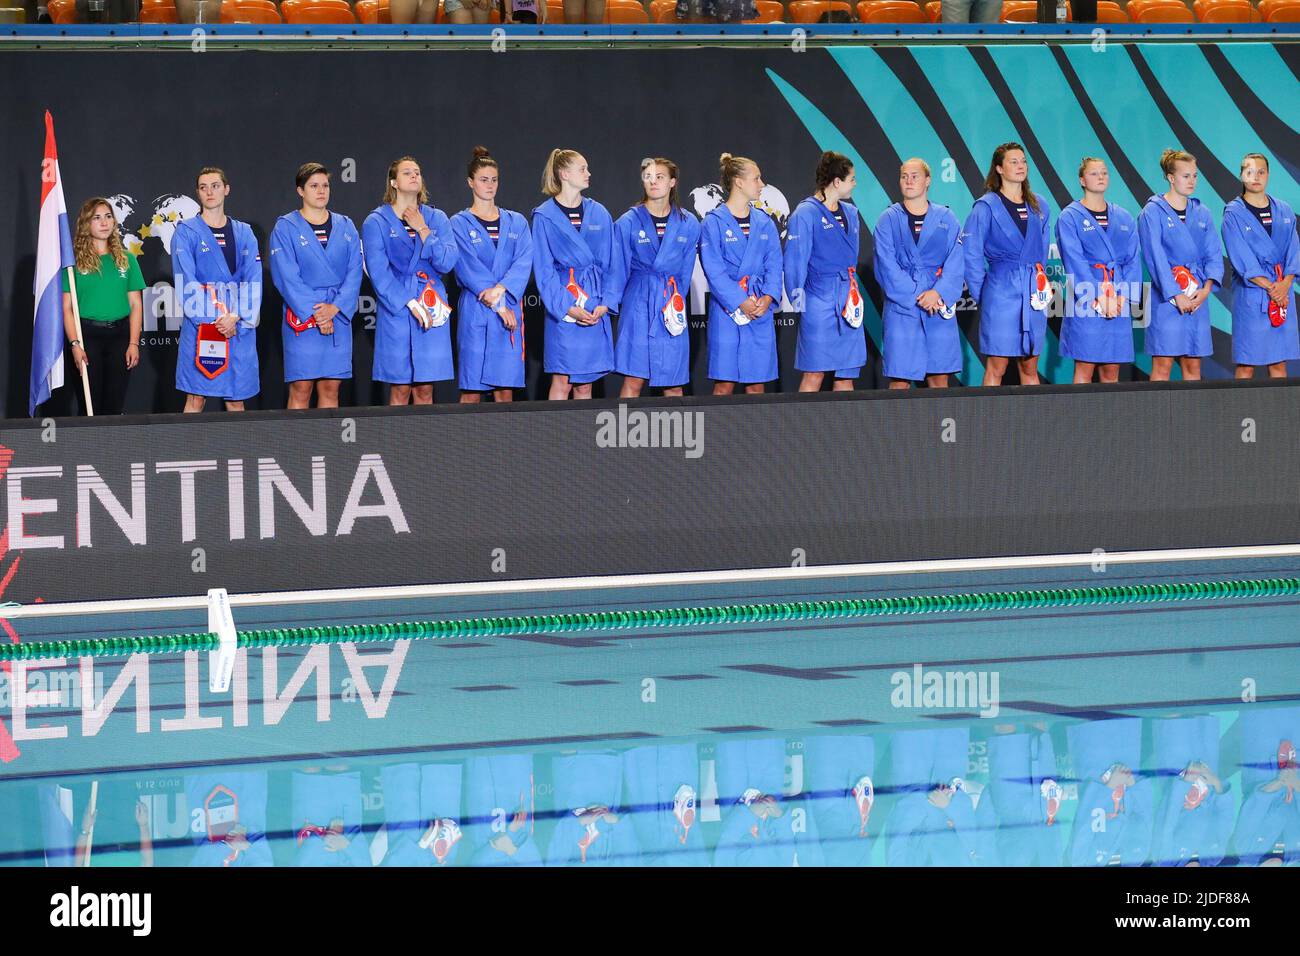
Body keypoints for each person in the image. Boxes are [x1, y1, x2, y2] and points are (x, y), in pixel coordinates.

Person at [362, 156, 459, 406]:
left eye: (417, 172)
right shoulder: (376, 221)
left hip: (432, 301)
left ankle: (424, 445)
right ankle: (396, 445)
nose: (414, 176)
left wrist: (423, 229)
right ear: (393, 182)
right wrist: (409, 303)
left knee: (426, 388)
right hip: (397, 306)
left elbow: (447, 262)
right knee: (400, 388)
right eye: (407, 173)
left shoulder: (436, 218)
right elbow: (379, 272)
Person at [269, 163, 363, 409]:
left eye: (325, 185)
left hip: (338, 314)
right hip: (303, 315)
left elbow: (355, 271)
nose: (321, 191)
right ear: (300, 191)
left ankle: (326, 447)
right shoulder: (286, 227)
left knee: (331, 387)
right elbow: (286, 276)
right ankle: (298, 448)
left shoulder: (346, 225)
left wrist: (335, 308)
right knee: (302, 386)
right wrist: (318, 312)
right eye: (314, 186)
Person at [532, 148, 620, 400]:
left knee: (585, 383)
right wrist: (566, 307)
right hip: (563, 303)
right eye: (583, 169)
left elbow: (613, 264)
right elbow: (544, 270)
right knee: (562, 380)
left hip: (594, 303)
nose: (588, 173)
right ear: (564, 174)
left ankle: (582, 440)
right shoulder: (544, 216)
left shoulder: (600, 212)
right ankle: (553, 439)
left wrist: (605, 303)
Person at [962, 142, 1053, 386]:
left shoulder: (1040, 205)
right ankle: (986, 423)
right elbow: (971, 254)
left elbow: (1041, 253)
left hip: (1032, 291)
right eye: (1013, 161)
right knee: (997, 366)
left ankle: (1034, 423)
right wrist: (984, 294)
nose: (1020, 166)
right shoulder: (985, 207)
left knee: (1030, 365)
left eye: (1023, 161)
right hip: (1000, 291)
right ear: (999, 168)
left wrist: (1039, 284)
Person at [173, 167, 262, 413]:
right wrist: (214, 319)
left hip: (237, 323)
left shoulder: (244, 232)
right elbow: (185, 280)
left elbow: (254, 279)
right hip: (202, 323)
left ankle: (238, 452)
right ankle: (188, 452)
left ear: (226, 189)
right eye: (203, 187)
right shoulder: (186, 232)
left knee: (236, 398)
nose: (209, 192)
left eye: (215, 185)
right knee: (196, 398)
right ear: (198, 193)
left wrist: (236, 316)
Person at [612, 157, 700, 398]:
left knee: (673, 382)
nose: (653, 182)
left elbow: (684, 272)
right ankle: (621, 434)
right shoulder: (628, 221)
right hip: (638, 303)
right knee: (634, 379)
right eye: (648, 176)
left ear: (672, 182)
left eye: (659, 177)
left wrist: (673, 302)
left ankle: (677, 436)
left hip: (670, 304)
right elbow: (618, 270)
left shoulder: (688, 223)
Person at [873, 158, 965, 388]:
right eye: (904, 176)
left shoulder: (946, 217)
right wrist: (917, 295)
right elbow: (886, 265)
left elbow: (956, 260)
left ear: (928, 181)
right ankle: (897, 426)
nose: (909, 180)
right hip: (902, 308)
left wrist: (938, 293)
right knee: (900, 379)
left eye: (915, 176)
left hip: (937, 304)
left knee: (939, 377)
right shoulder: (888, 219)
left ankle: (941, 426)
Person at [450, 147, 532, 404]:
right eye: (484, 179)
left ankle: (503, 445)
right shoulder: (459, 223)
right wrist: (497, 304)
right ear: (470, 182)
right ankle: (463, 445)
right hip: (478, 309)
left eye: (494, 179)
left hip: (509, 306)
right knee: (472, 391)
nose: (490, 185)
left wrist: (502, 290)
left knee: (504, 390)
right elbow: (467, 268)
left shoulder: (516, 221)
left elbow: (524, 261)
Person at [783, 151, 867, 393]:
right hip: (818, 298)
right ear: (837, 182)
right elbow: (795, 261)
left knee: (846, 373)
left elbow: (851, 258)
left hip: (848, 296)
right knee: (815, 371)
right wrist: (798, 301)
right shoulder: (805, 213)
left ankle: (845, 431)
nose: (855, 183)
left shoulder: (851, 213)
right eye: (852, 178)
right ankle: (802, 431)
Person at [1138, 148, 1223, 382]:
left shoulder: (1202, 211)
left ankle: (1192, 418)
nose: (1192, 181)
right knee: (1163, 366)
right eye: (1186, 176)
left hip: (1197, 296)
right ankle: (1155, 418)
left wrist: (1205, 291)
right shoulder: (1152, 212)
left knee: (1193, 366)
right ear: (1171, 177)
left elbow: (1214, 254)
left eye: (1195, 175)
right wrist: (1176, 295)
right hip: (1167, 299)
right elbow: (1155, 257)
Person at [700, 153, 782, 395]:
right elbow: (713, 270)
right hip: (728, 310)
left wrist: (767, 298)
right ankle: (715, 433)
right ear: (739, 182)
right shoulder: (713, 223)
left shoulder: (765, 222)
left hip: (759, 309)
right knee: (725, 383)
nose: (762, 184)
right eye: (756, 179)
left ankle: (756, 435)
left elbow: (775, 264)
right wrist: (740, 301)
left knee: (757, 383)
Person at [1054, 158, 1140, 383]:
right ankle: (1079, 418)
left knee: (1112, 368)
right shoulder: (1069, 217)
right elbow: (1074, 260)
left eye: (1104, 172)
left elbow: (1132, 260)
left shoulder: (1123, 216)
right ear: (1082, 180)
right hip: (1087, 297)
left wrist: (1121, 297)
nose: (1101, 177)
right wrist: (1098, 296)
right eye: (1094, 173)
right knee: (1085, 364)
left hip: (1117, 295)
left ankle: (1109, 418)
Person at [62, 198, 143, 415]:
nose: (104, 222)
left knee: (114, 404)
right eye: (97, 218)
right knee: (90, 405)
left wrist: (133, 342)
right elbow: (67, 308)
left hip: (120, 336)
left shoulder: (127, 259)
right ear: (86, 224)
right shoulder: (73, 263)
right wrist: (75, 344)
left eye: (108, 216)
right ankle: (89, 448)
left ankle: (112, 448)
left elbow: (136, 304)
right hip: (86, 336)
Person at [1221, 153, 1299, 379]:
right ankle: (1239, 413)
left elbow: (1294, 250)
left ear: (1268, 175)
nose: (1256, 177)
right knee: (1247, 363)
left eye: (1261, 172)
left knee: (1279, 363)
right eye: (1249, 171)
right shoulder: (1233, 213)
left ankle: (1279, 414)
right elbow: (1241, 258)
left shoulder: (1284, 210)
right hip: (1253, 294)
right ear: (1242, 175)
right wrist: (1272, 288)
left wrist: (1286, 283)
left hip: (1283, 292)